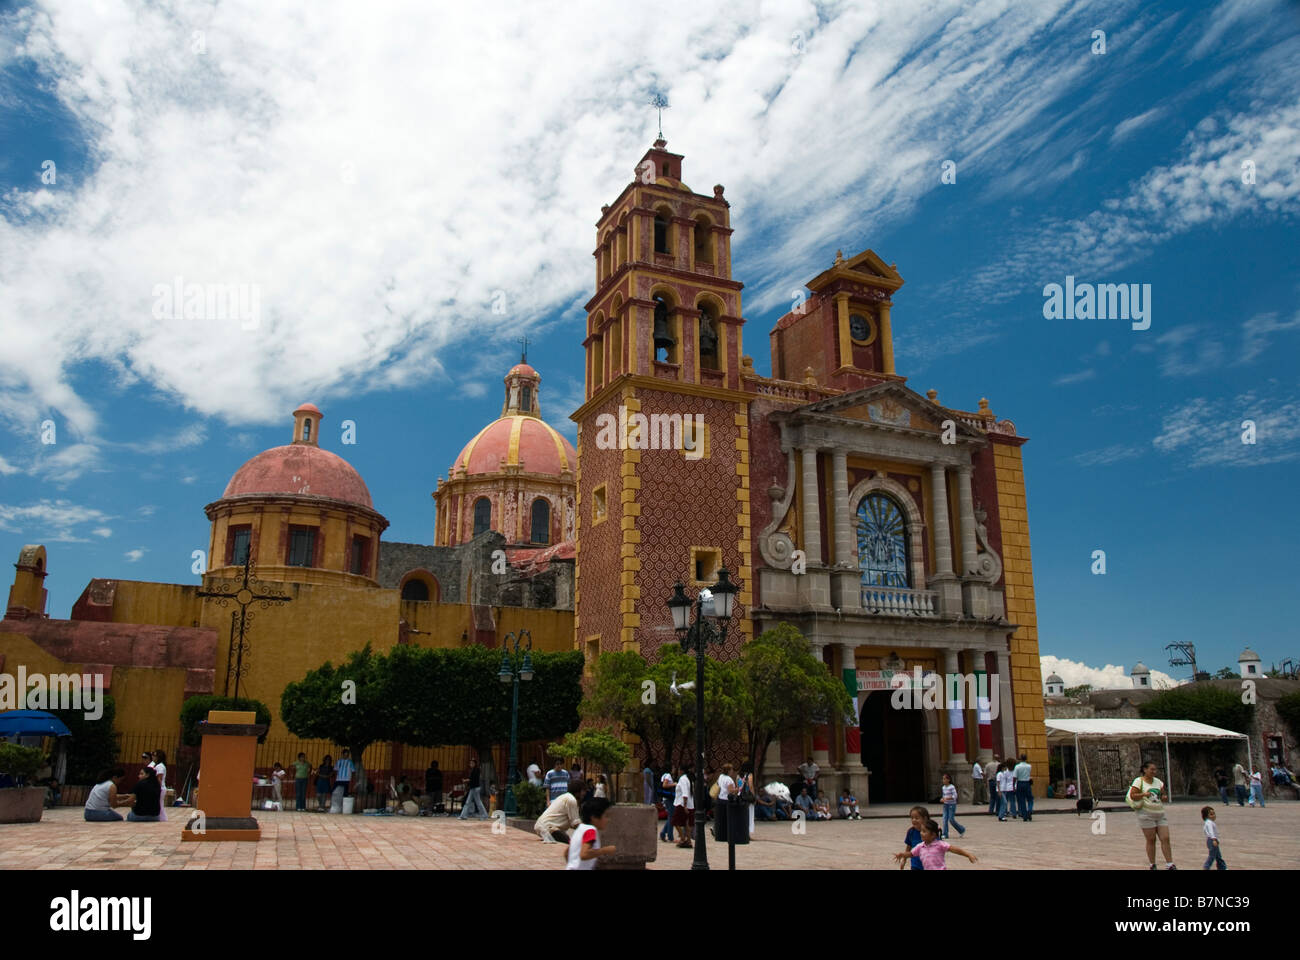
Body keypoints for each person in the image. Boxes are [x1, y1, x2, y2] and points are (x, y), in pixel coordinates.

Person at [1129, 760, 1175, 870]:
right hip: (1146, 814)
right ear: (1145, 770)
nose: (1154, 771)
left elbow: (1163, 794)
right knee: (1151, 839)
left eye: (1155, 769)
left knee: (1165, 838)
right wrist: (1144, 794)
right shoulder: (1138, 781)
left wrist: (1164, 797)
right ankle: (1152, 864)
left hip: (1159, 813)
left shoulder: (1158, 782)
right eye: (1152, 769)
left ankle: (1170, 864)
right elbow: (1133, 795)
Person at [893, 818, 977, 870]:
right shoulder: (920, 846)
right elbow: (911, 854)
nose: (921, 833)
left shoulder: (940, 844)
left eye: (924, 831)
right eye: (921, 831)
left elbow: (954, 849)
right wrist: (902, 855)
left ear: (933, 835)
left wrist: (968, 855)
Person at [566, 796, 617, 870]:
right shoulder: (591, 830)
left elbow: (567, 852)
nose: (608, 820)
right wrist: (605, 850)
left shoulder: (580, 829)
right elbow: (584, 854)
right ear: (594, 818)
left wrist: (573, 864)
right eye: (606, 816)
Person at [900, 806, 929, 870]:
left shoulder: (931, 831)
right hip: (915, 865)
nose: (914, 820)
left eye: (916, 818)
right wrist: (904, 860)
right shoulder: (911, 832)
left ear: (925, 818)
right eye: (912, 818)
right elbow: (908, 847)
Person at [940, 773, 966, 839]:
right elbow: (944, 795)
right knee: (944, 819)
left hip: (951, 805)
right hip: (946, 805)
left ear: (948, 780)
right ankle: (945, 834)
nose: (943, 780)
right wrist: (942, 799)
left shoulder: (951, 787)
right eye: (943, 779)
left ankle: (961, 829)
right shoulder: (943, 787)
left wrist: (948, 798)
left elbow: (955, 796)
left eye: (944, 779)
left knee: (951, 819)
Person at [673, 765, 694, 847]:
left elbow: (685, 793)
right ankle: (688, 841)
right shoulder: (689, 779)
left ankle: (683, 838)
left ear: (681, 771)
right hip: (690, 804)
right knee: (687, 823)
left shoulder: (683, 779)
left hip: (681, 803)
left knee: (675, 821)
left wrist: (684, 805)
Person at [1202, 806, 1226, 870]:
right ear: (1206, 816)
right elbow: (1211, 832)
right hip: (1212, 840)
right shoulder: (1209, 823)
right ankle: (1206, 867)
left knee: (1218, 856)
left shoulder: (1208, 822)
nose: (1213, 816)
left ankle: (1222, 867)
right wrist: (1214, 839)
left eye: (1214, 814)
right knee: (1212, 856)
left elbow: (1205, 831)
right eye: (1211, 814)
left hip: (1212, 840)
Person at [1013, 753, 1033, 821]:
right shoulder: (1029, 766)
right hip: (1027, 782)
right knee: (1030, 798)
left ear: (1020, 759)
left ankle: (1024, 815)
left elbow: (1015, 777)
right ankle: (1029, 810)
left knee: (1022, 800)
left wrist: (1013, 785)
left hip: (1020, 782)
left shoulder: (1017, 767)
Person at [150, 750, 169, 821]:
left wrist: (158, 789)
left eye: (154, 755)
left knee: (160, 805)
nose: (153, 757)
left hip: (160, 788)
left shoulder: (160, 766)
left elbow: (159, 778)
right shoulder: (158, 765)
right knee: (160, 804)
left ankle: (162, 819)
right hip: (160, 788)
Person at [659, 770, 677, 841]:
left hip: (666, 798)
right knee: (671, 817)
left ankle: (663, 833)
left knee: (671, 816)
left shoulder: (664, 775)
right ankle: (670, 836)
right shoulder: (668, 775)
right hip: (669, 798)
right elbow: (664, 785)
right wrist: (674, 784)